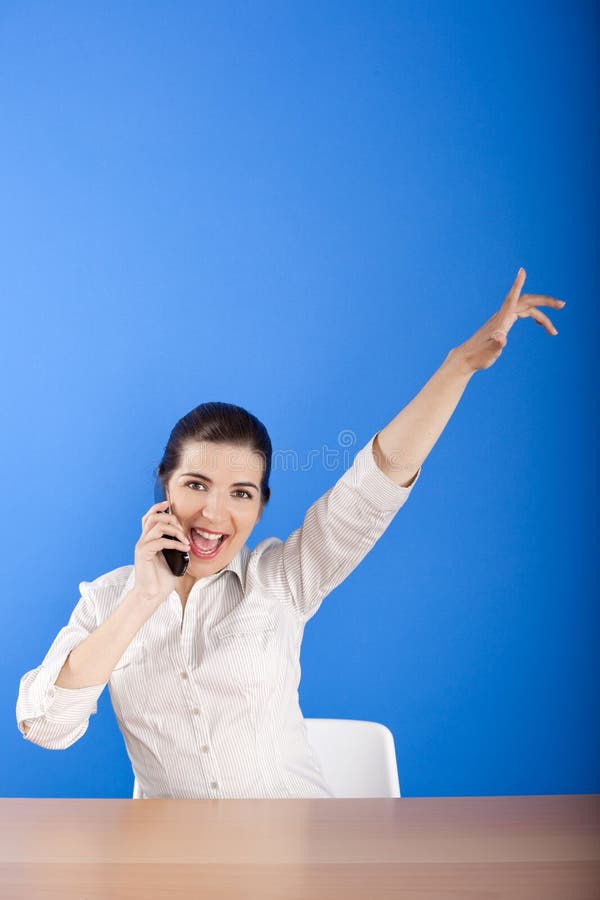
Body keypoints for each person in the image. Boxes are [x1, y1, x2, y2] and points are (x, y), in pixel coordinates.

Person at [16, 269, 565, 798]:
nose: (213, 513)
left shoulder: (282, 578)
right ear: (164, 488)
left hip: (293, 850)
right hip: (178, 864)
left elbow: (375, 483)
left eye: (240, 493)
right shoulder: (108, 601)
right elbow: (47, 728)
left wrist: (459, 367)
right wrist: (142, 599)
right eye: (196, 484)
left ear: (259, 509)